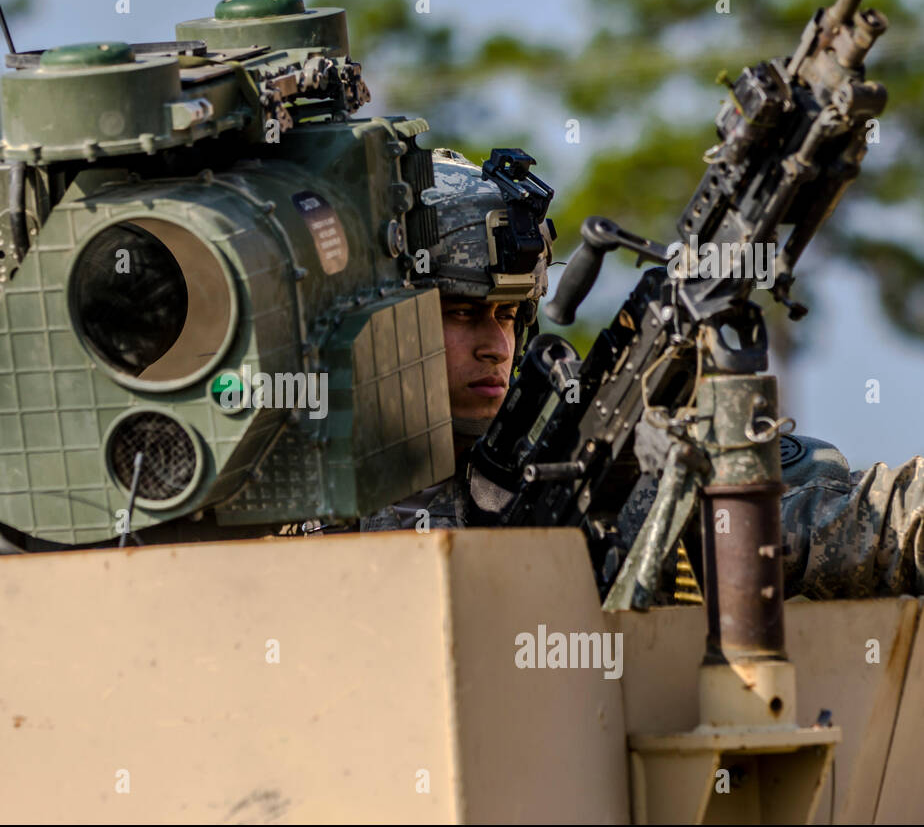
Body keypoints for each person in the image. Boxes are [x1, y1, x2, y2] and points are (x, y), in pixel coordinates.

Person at [362, 149, 924, 602]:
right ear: (385, 326)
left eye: (508, 314)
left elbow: (830, 530)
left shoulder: (563, 483)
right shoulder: (299, 513)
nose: (497, 347)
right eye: (461, 314)